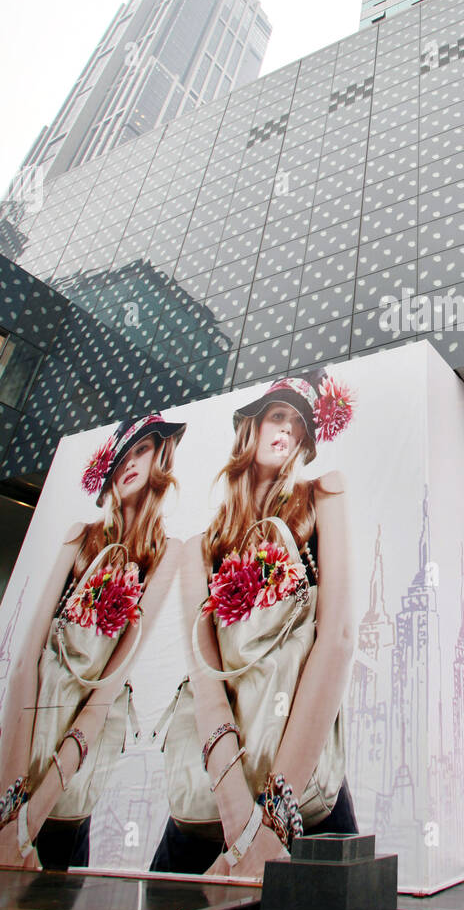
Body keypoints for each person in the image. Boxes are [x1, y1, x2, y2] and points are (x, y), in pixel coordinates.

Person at [150, 369, 357, 880]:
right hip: (219, 785)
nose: (287, 431)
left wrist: (270, 822)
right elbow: (205, 681)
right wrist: (240, 817)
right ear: (253, 427)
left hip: (302, 779)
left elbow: (336, 643)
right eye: (278, 416)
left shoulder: (321, 498)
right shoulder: (201, 548)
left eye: (300, 427)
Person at [0, 413, 184, 870]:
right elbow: (26, 663)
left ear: (160, 457)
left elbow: (104, 695)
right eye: (123, 453)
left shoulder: (165, 554)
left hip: (73, 781)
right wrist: (9, 811)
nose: (130, 463)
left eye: (142, 450)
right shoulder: (79, 539)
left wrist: (30, 823)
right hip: (25, 753)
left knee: (54, 901)